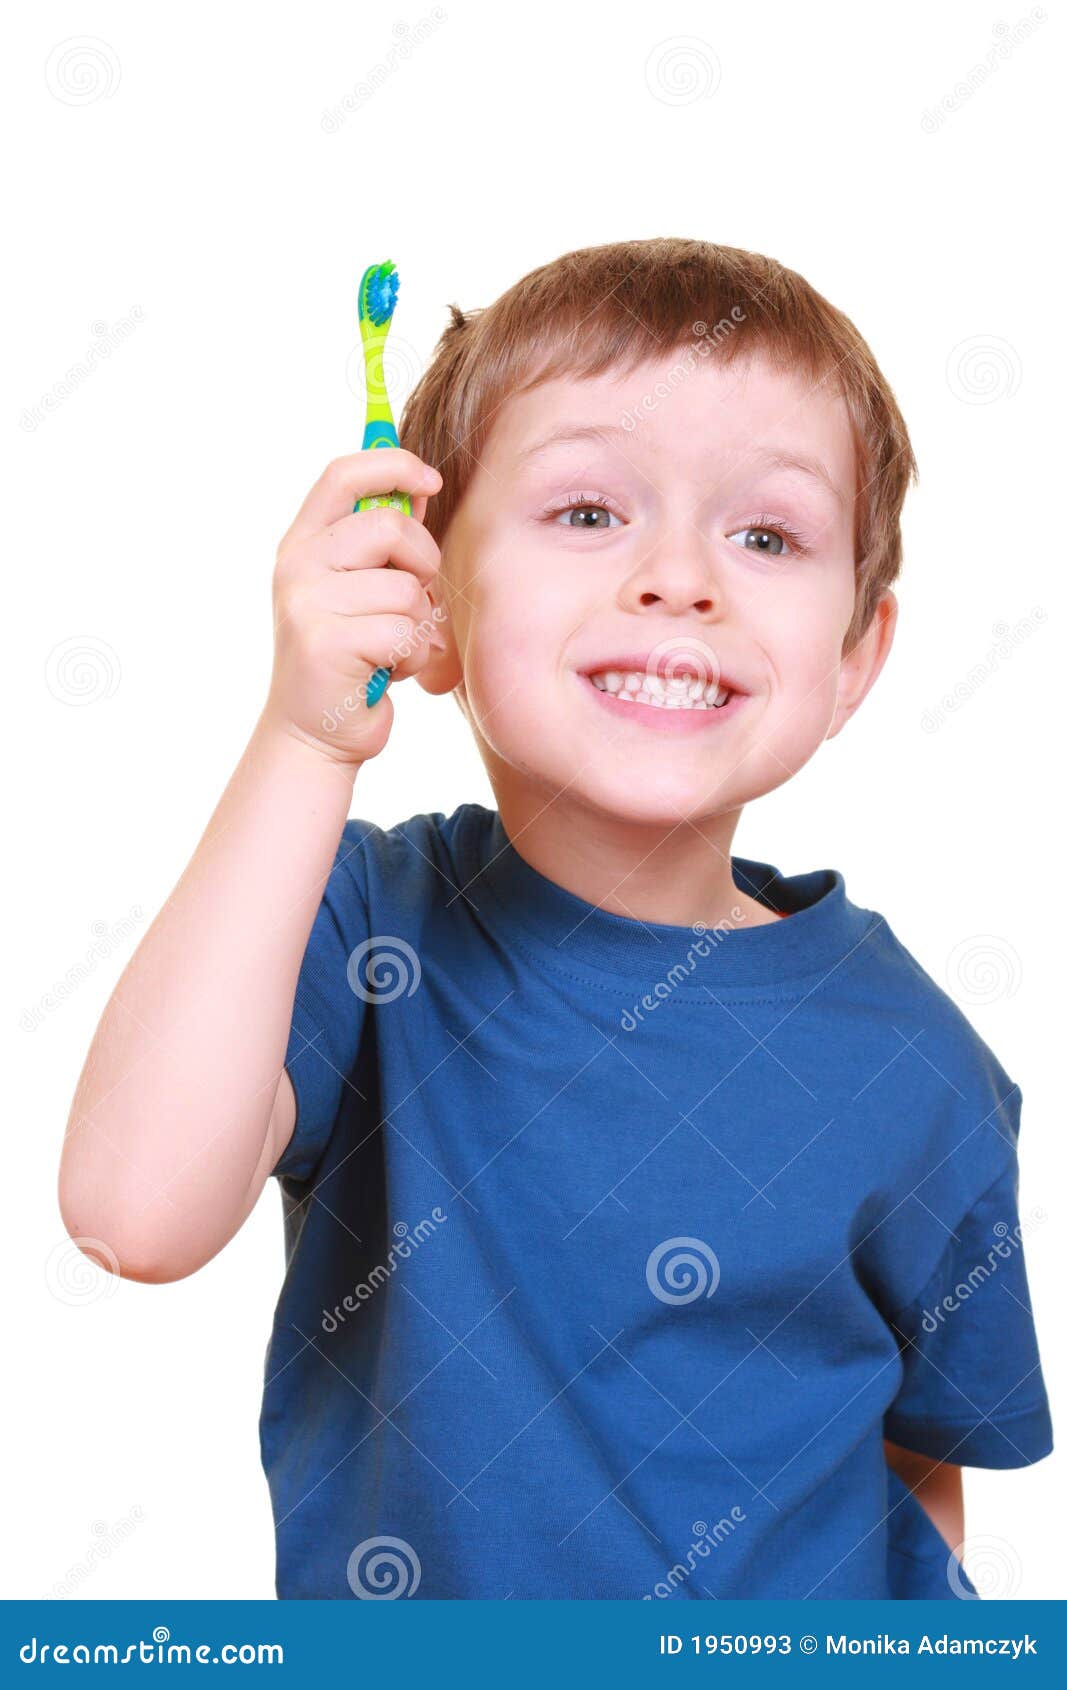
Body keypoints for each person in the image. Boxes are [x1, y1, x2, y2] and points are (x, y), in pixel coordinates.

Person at [59, 237, 1053, 1600]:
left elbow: (924, 1469)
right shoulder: (361, 927)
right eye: (589, 511)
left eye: (765, 535)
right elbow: (132, 1213)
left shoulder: (912, 1053)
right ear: (429, 600)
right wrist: (303, 737)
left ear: (853, 658)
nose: (680, 577)